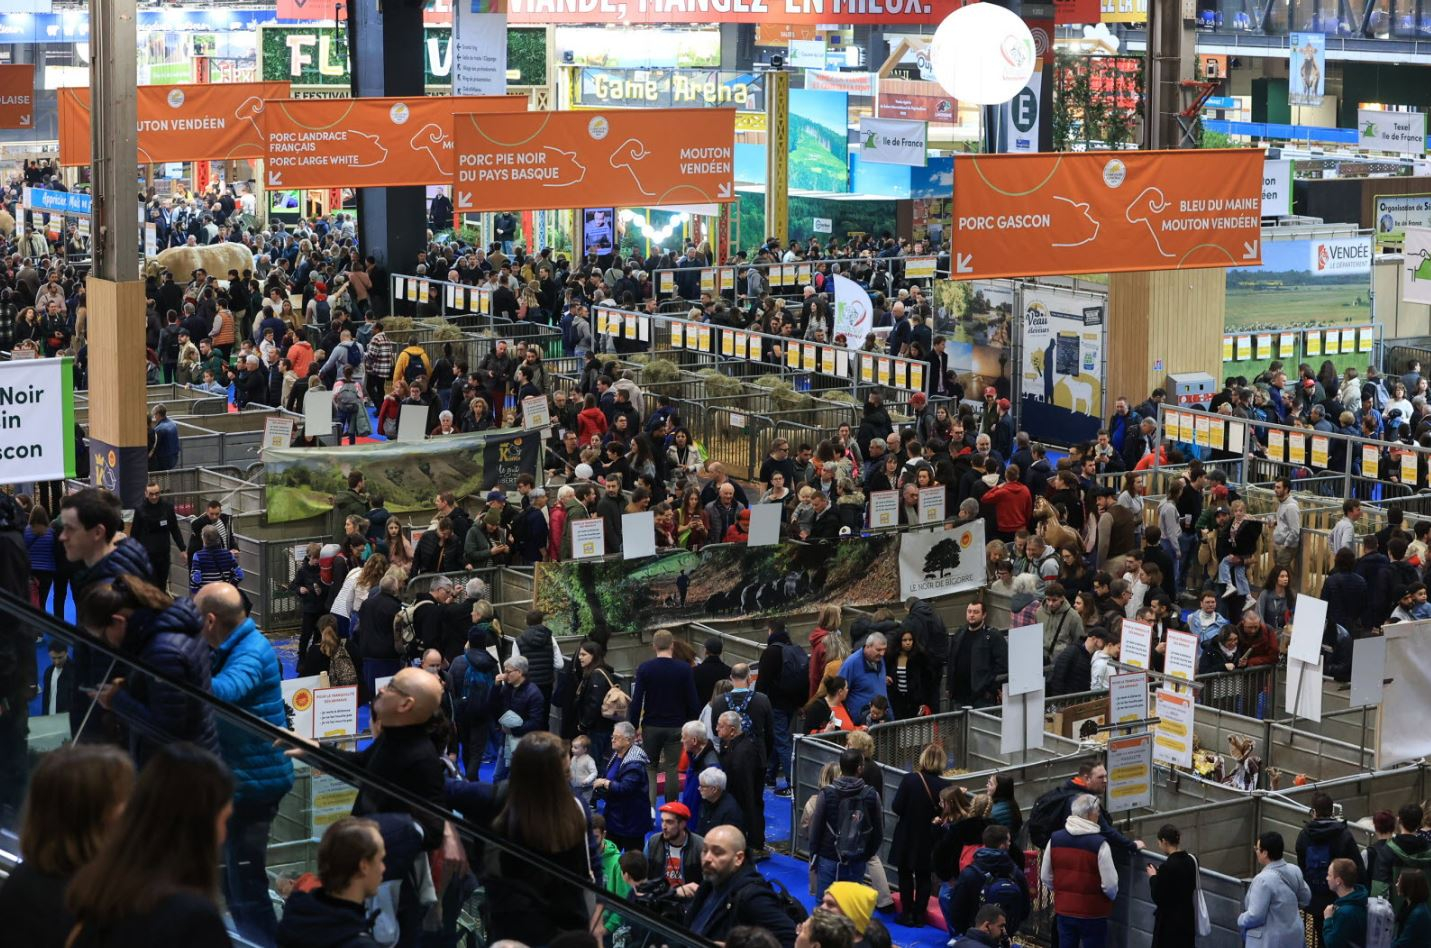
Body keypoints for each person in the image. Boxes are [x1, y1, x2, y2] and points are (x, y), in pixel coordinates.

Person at [194, 583, 296, 947]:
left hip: (255, 784)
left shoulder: (252, 651)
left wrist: (180, 661)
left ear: (209, 620)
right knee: (231, 878)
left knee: (246, 883)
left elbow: (223, 693)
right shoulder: (231, 645)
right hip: (240, 777)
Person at [65, 743, 236, 946]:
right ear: (196, 827)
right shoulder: (192, 919)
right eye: (223, 821)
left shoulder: (97, 891)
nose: (224, 835)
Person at [76, 573, 220, 766]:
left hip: (181, 772)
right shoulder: (166, 631)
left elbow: (170, 731)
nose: (106, 644)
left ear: (118, 621)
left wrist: (118, 700)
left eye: (102, 636)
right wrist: (130, 688)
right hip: (190, 762)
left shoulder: (163, 652)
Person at [0, 745, 135, 948]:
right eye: (123, 799)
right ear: (90, 817)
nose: (134, 808)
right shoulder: (88, 906)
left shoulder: (27, 876)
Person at [486, 732, 600, 945]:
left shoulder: (575, 807)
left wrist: (596, 915)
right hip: (515, 927)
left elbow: (591, 867)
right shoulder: (502, 801)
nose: (570, 779)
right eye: (564, 774)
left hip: (564, 925)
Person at [276, 817, 386, 948]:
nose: (383, 868)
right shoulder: (358, 943)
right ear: (364, 866)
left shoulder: (294, 921)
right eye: (380, 860)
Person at [685, 825, 798, 948]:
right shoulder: (710, 883)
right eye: (705, 850)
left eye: (717, 852)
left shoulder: (753, 897)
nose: (707, 858)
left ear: (738, 858)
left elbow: (790, 940)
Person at [626, 629, 700, 807]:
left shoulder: (645, 668)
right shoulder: (684, 669)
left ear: (653, 646)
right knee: (672, 768)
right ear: (672, 645)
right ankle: (672, 807)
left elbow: (637, 701)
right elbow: (693, 700)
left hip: (651, 725)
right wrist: (691, 723)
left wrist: (634, 724)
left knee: (650, 767)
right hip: (676, 725)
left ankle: (650, 810)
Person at [1040, 793, 1118, 948]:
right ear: (1089, 815)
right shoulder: (1100, 845)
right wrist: (1107, 899)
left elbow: (1045, 876)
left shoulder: (1055, 840)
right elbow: (1110, 885)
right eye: (1097, 813)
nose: (1099, 817)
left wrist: (1062, 892)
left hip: (1065, 910)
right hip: (1094, 912)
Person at [808, 748, 884, 901]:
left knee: (824, 906)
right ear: (860, 768)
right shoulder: (871, 795)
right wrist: (866, 854)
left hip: (828, 856)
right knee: (850, 905)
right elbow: (879, 831)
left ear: (841, 767)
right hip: (857, 857)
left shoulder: (826, 793)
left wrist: (814, 856)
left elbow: (815, 830)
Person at [889, 743, 952, 927]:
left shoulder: (910, 779)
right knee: (924, 876)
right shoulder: (946, 786)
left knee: (905, 874)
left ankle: (906, 913)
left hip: (907, 834)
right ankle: (919, 915)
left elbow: (896, 807)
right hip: (930, 836)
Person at [1297, 791, 1368, 931]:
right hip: (1341, 900)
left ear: (1314, 811)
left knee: (1320, 934)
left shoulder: (1304, 835)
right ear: (1331, 811)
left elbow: (1302, 867)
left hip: (1314, 899)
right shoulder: (1343, 834)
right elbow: (1357, 867)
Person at [945, 824, 1030, 937]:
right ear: (1002, 845)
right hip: (1004, 935)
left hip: (975, 934)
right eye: (1008, 841)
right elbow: (1024, 908)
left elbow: (956, 910)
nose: (1010, 844)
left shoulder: (969, 874)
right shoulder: (1015, 873)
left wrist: (967, 932)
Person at [754, 620, 806, 794]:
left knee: (782, 742)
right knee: (779, 738)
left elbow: (762, 682)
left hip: (774, 704)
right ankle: (769, 776)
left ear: (770, 631)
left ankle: (793, 783)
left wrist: (757, 703)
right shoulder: (796, 650)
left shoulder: (771, 652)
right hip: (791, 703)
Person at [1239, 831, 1312, 948]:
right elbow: (1305, 899)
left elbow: (1255, 915)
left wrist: (1241, 919)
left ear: (1265, 853)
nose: (1256, 852)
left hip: (1269, 941)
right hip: (1294, 936)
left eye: (1257, 849)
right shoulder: (1295, 871)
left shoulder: (1262, 880)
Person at [716, 709, 767, 856]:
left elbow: (746, 790)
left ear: (732, 730)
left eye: (721, 726)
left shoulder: (744, 752)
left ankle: (753, 844)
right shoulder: (730, 745)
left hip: (744, 799)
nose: (716, 728)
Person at [596, 721, 652, 852]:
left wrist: (605, 783)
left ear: (628, 740)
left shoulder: (635, 763)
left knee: (631, 861)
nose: (612, 739)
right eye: (612, 736)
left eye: (616, 737)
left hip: (631, 822)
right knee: (610, 855)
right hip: (615, 818)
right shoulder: (617, 754)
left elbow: (625, 788)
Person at [1145, 823, 1198, 948]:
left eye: (1159, 842)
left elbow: (1158, 896)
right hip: (1187, 920)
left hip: (1169, 925)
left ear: (1164, 841)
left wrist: (1153, 877)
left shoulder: (1167, 867)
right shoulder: (1191, 861)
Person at [946, 600, 1005, 709]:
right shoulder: (960, 633)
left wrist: (990, 688)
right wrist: (949, 686)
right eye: (969, 611)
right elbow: (952, 661)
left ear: (984, 615)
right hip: (960, 695)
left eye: (976, 612)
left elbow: (1002, 665)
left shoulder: (992, 636)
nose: (971, 615)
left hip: (981, 697)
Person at [128, 482, 186, 590]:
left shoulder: (167, 508)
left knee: (162, 585)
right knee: (149, 585)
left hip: (163, 554)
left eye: (157, 493)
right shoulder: (140, 510)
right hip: (146, 555)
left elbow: (174, 528)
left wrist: (182, 548)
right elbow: (134, 533)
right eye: (151, 494)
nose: (154, 497)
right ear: (146, 494)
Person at [643, 801, 704, 897]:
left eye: (669, 822)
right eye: (662, 821)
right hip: (659, 898)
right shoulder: (653, 842)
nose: (663, 826)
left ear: (682, 824)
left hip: (688, 901)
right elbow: (643, 876)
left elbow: (708, 883)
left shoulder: (700, 846)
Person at [838, 632, 890, 723]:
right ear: (868, 646)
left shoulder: (879, 660)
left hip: (883, 722)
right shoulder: (851, 663)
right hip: (861, 725)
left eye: (884, 650)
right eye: (878, 650)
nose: (882, 653)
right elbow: (838, 693)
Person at [1322, 858, 1369, 948]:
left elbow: (1332, 944)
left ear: (1338, 881)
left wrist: (1328, 919)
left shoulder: (1345, 913)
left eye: (1329, 875)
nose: (1326, 878)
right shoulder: (1359, 897)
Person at [695, 767, 745, 838]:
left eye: (702, 786)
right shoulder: (706, 801)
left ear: (714, 789)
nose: (699, 789)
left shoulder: (730, 812)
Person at [1394, 869, 1431, 946]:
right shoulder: (1408, 905)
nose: (1396, 884)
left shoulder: (1418, 914)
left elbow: (1403, 943)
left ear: (1408, 886)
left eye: (1399, 882)